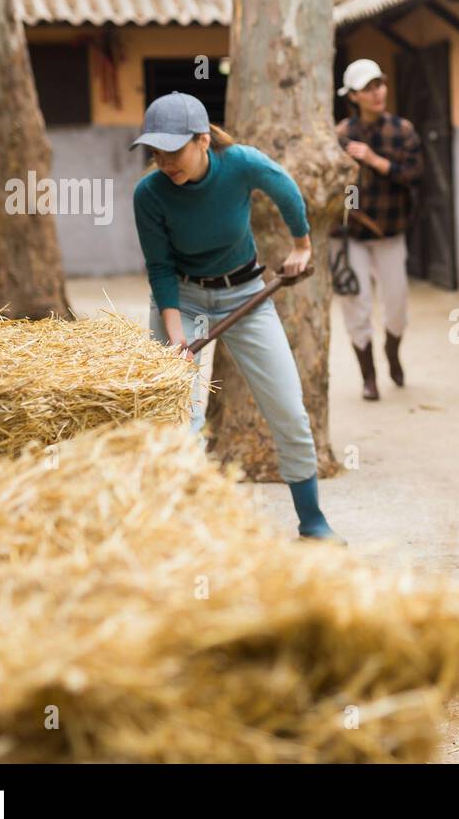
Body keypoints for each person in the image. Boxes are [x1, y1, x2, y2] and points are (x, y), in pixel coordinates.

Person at [132, 91, 344, 545]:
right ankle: (183, 529)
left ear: (203, 140)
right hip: (182, 301)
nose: (165, 162)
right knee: (178, 418)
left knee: (288, 408)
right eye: (156, 152)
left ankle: (312, 519)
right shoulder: (149, 194)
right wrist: (175, 341)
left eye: (174, 151)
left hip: (246, 295)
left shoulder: (242, 163)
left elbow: (285, 187)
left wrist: (302, 244)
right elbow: (159, 268)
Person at [334, 58, 424, 401]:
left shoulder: (402, 130)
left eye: (380, 85)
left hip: (390, 231)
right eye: (368, 88)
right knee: (356, 303)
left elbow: (415, 175)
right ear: (353, 95)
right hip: (351, 236)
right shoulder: (340, 136)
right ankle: (368, 378)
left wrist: (375, 161)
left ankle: (392, 352)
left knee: (397, 303)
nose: (377, 93)